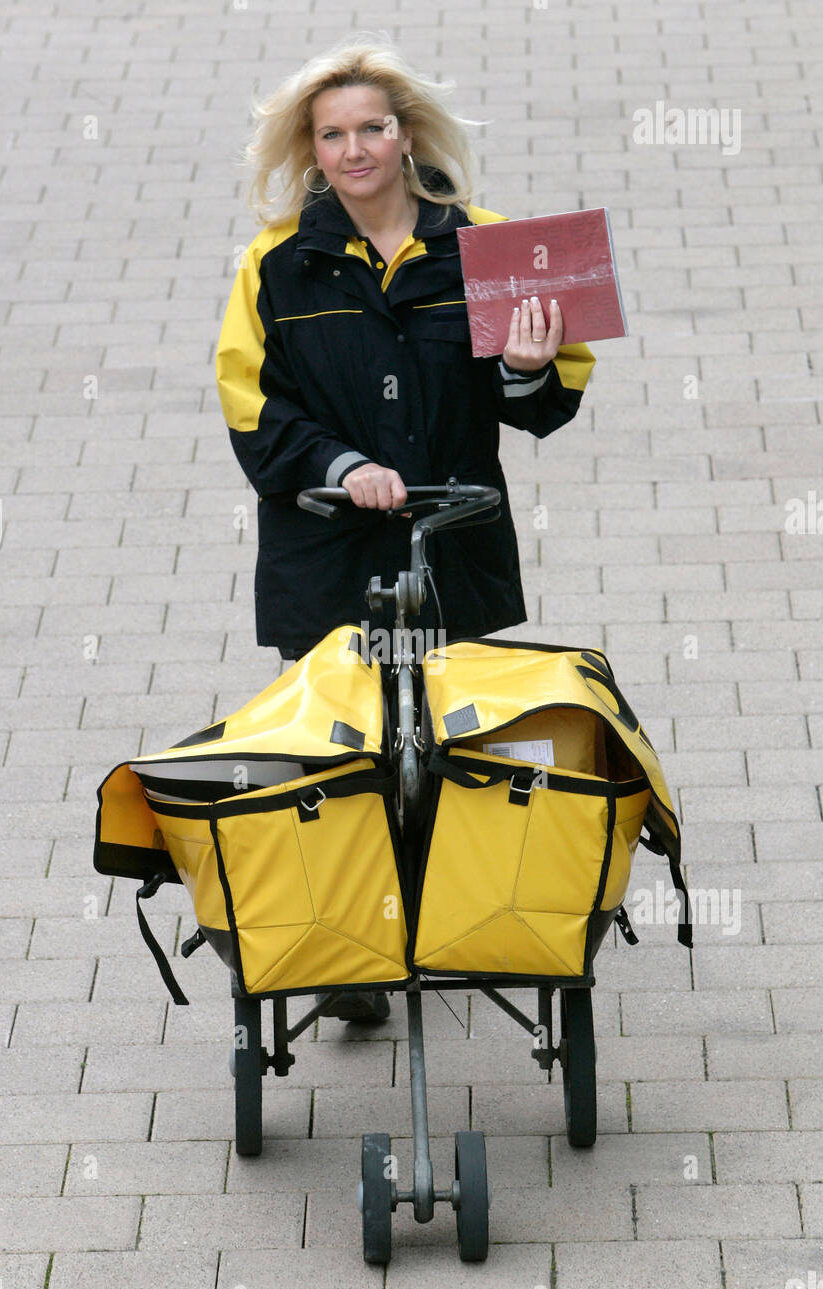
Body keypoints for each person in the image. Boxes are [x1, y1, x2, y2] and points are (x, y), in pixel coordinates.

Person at [215, 34, 596, 1023]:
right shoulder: (277, 269)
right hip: (327, 548)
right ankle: (345, 949)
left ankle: (456, 909)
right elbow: (255, 409)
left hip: (449, 540)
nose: (353, 150)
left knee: (458, 743)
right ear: (311, 148)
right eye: (332, 134)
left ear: (402, 133)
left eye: (370, 128)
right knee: (335, 752)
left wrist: (520, 364)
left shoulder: (486, 249)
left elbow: (541, 403)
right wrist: (345, 468)